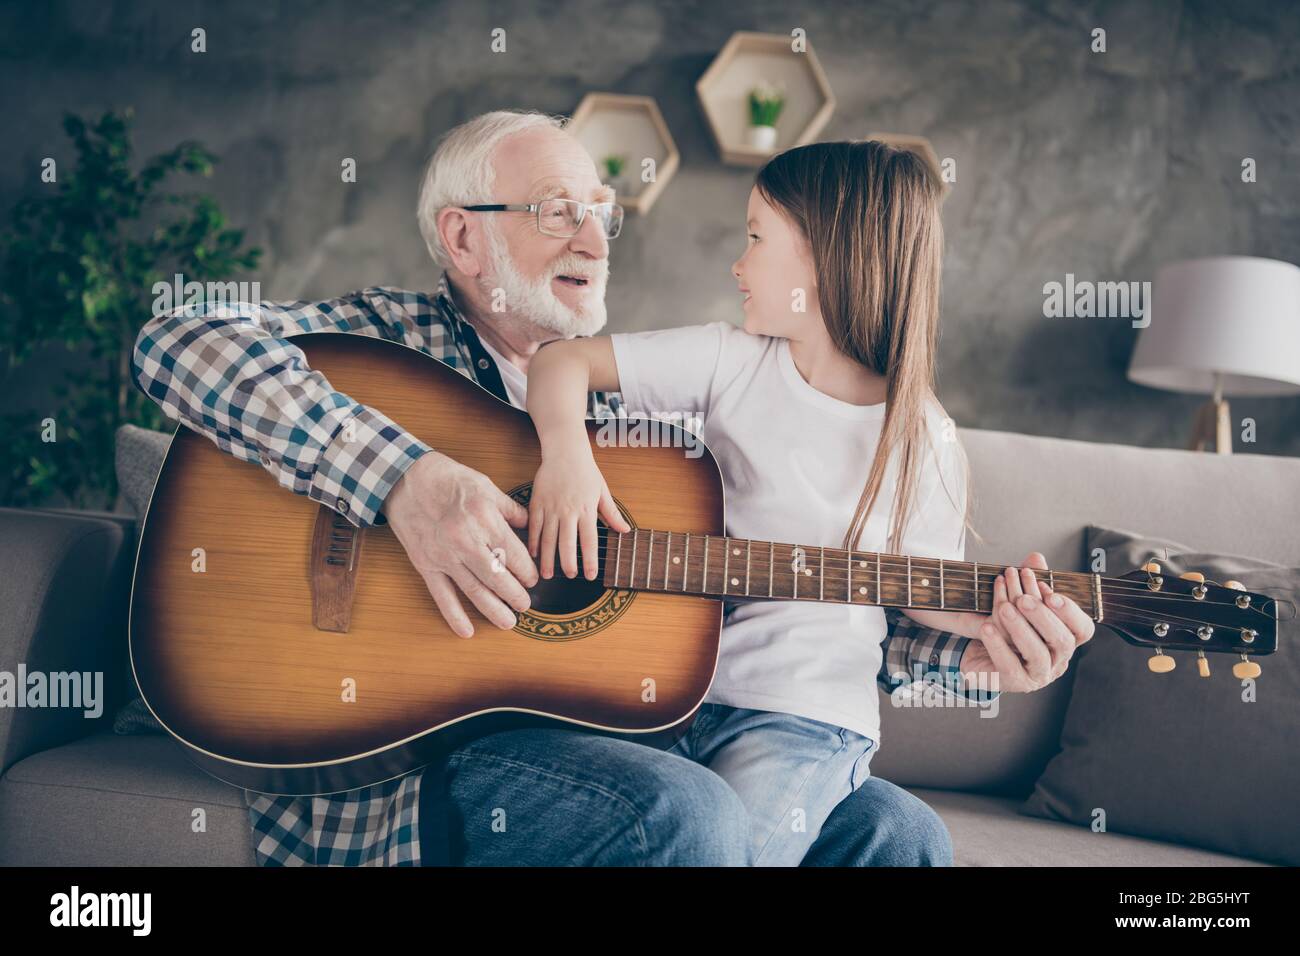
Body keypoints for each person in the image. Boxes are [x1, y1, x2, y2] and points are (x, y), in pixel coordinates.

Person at [131, 109, 1091, 866]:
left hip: (643, 737)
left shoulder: (661, 432)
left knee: (901, 835)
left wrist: (974, 663)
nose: (596, 235)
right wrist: (404, 482)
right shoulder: (387, 341)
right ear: (463, 240)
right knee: (687, 814)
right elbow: (177, 341)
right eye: (558, 209)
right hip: (423, 748)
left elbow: (792, 636)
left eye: (603, 209)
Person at [522, 138, 1095, 864]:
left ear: (828, 257)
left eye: (756, 237)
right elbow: (561, 361)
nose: (737, 263)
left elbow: (924, 593)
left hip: (802, 719)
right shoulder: (732, 359)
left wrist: (1007, 616)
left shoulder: (924, 437)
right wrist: (568, 460)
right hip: (668, 695)